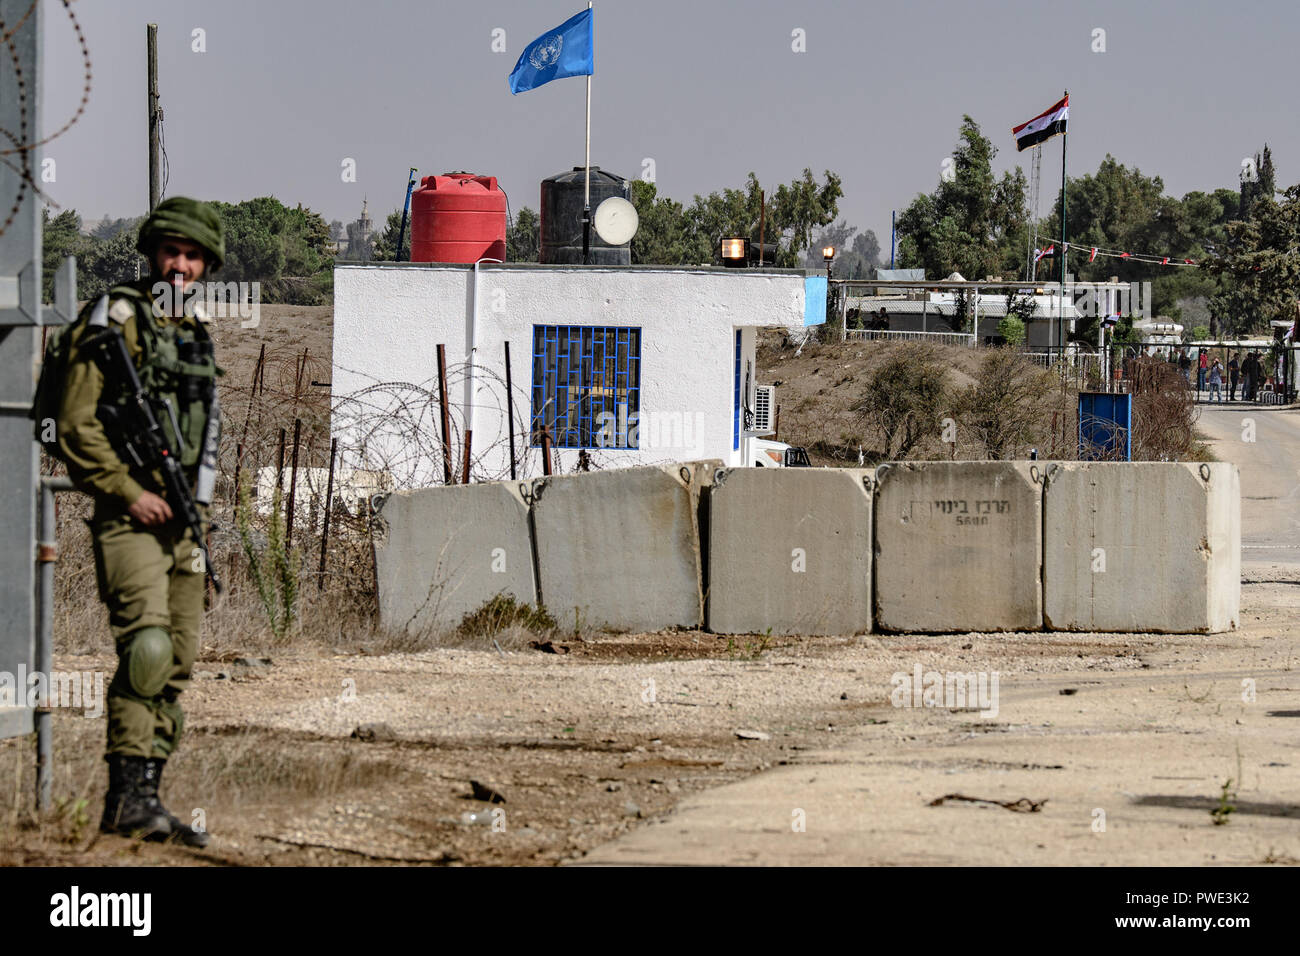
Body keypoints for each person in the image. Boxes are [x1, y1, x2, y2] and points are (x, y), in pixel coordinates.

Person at [55, 198, 223, 848]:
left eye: (192, 256)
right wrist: (128, 493)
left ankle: (148, 800)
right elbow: (75, 421)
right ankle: (122, 799)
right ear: (153, 254)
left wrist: (200, 525)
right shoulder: (115, 316)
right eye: (170, 252)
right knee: (147, 650)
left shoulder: (195, 328)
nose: (179, 265)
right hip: (130, 519)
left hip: (184, 521)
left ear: (205, 264)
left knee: (177, 659)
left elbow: (204, 439)